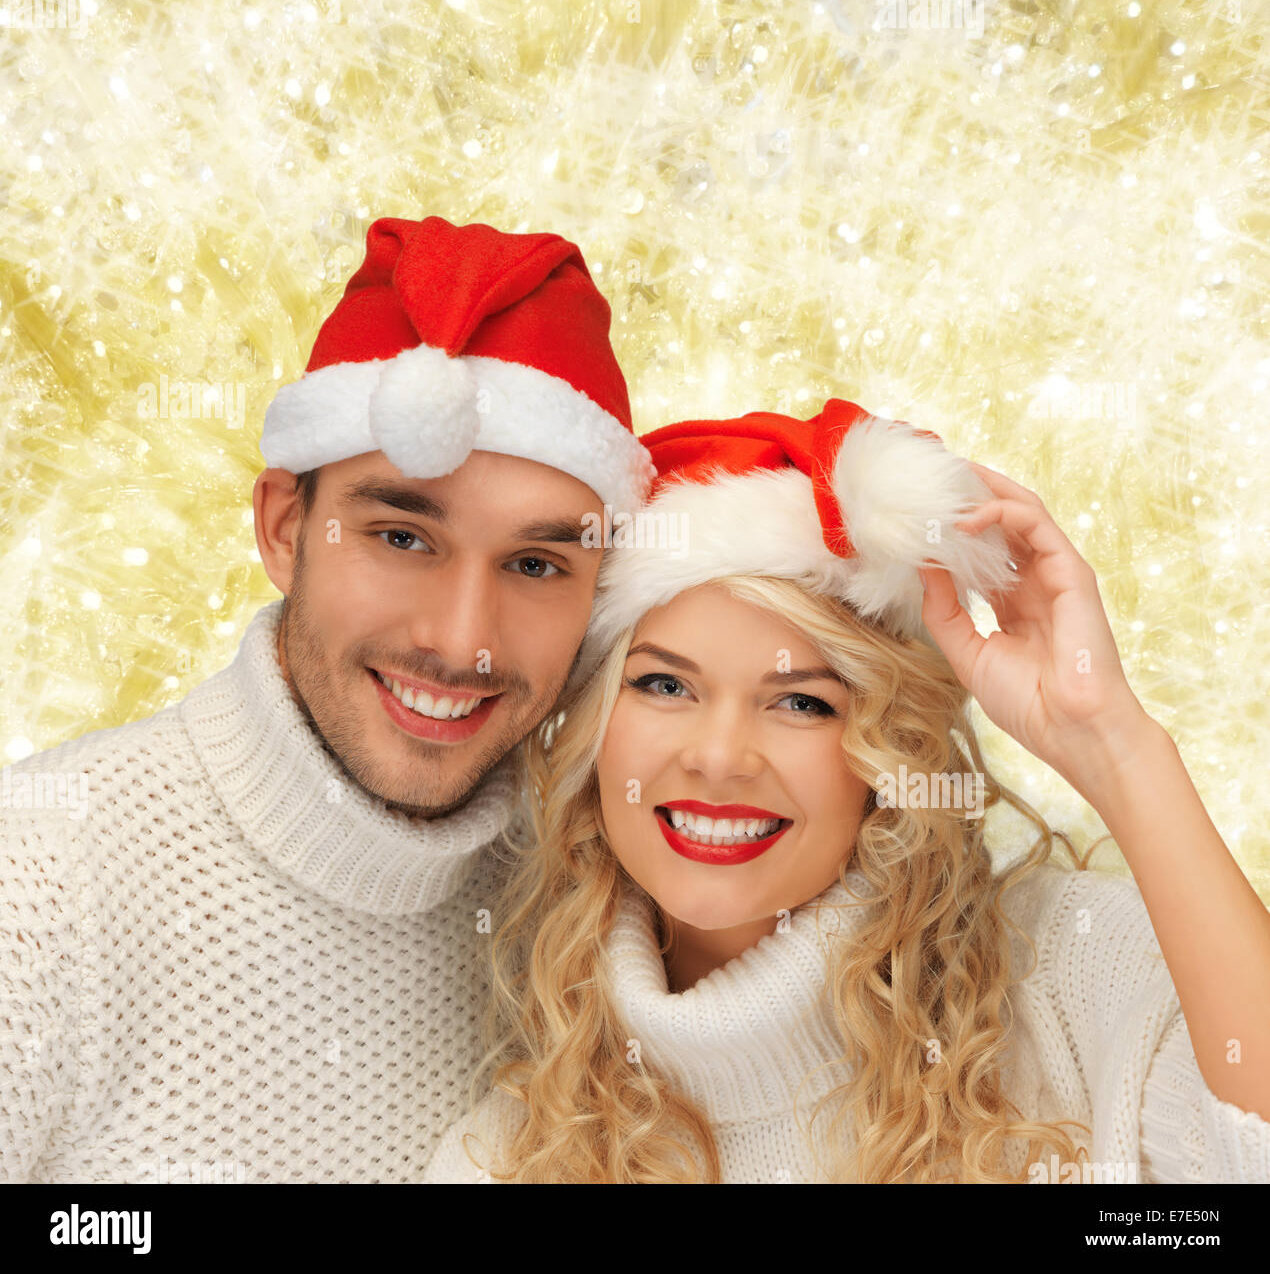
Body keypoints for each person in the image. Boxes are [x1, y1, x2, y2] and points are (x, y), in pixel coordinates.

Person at [425, 399, 1270, 1183]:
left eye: (802, 701)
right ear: (593, 729)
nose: (720, 759)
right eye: (665, 686)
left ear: (884, 747)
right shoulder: (506, 1158)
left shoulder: (1077, 972)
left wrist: (1113, 744)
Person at [0, 214, 654, 1182]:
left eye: (533, 562)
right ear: (282, 527)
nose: (459, 637)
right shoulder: (43, 885)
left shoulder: (584, 914)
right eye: (401, 537)